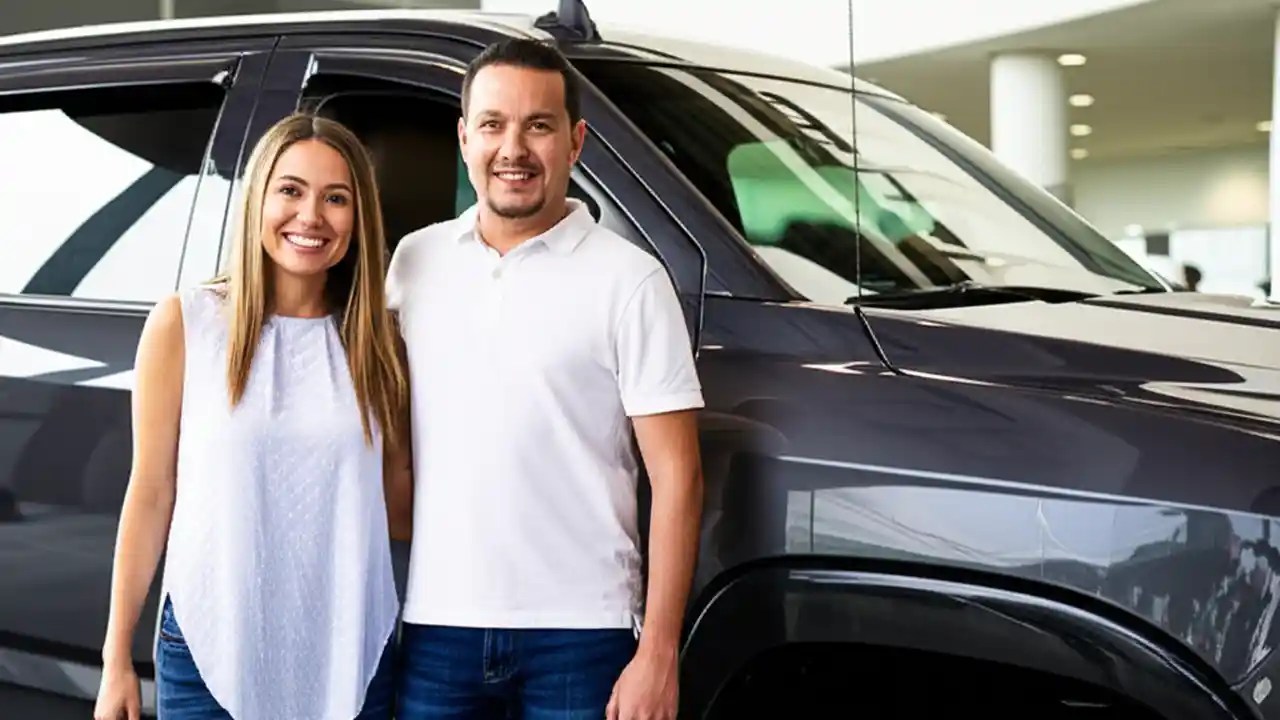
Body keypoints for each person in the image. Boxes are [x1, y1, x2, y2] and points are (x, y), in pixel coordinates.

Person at [386, 38, 705, 720]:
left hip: (583, 635)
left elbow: (678, 479)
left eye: (538, 126)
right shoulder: (412, 264)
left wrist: (658, 654)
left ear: (575, 141)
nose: (514, 149)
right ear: (465, 138)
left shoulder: (632, 280)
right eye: (493, 125)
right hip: (436, 627)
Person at [93, 113, 413, 720]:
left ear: (358, 218)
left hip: (350, 653)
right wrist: (116, 660)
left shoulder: (380, 343)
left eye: (336, 198)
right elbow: (152, 492)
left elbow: (401, 504)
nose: (311, 216)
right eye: (290, 190)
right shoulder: (185, 323)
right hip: (209, 650)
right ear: (257, 199)